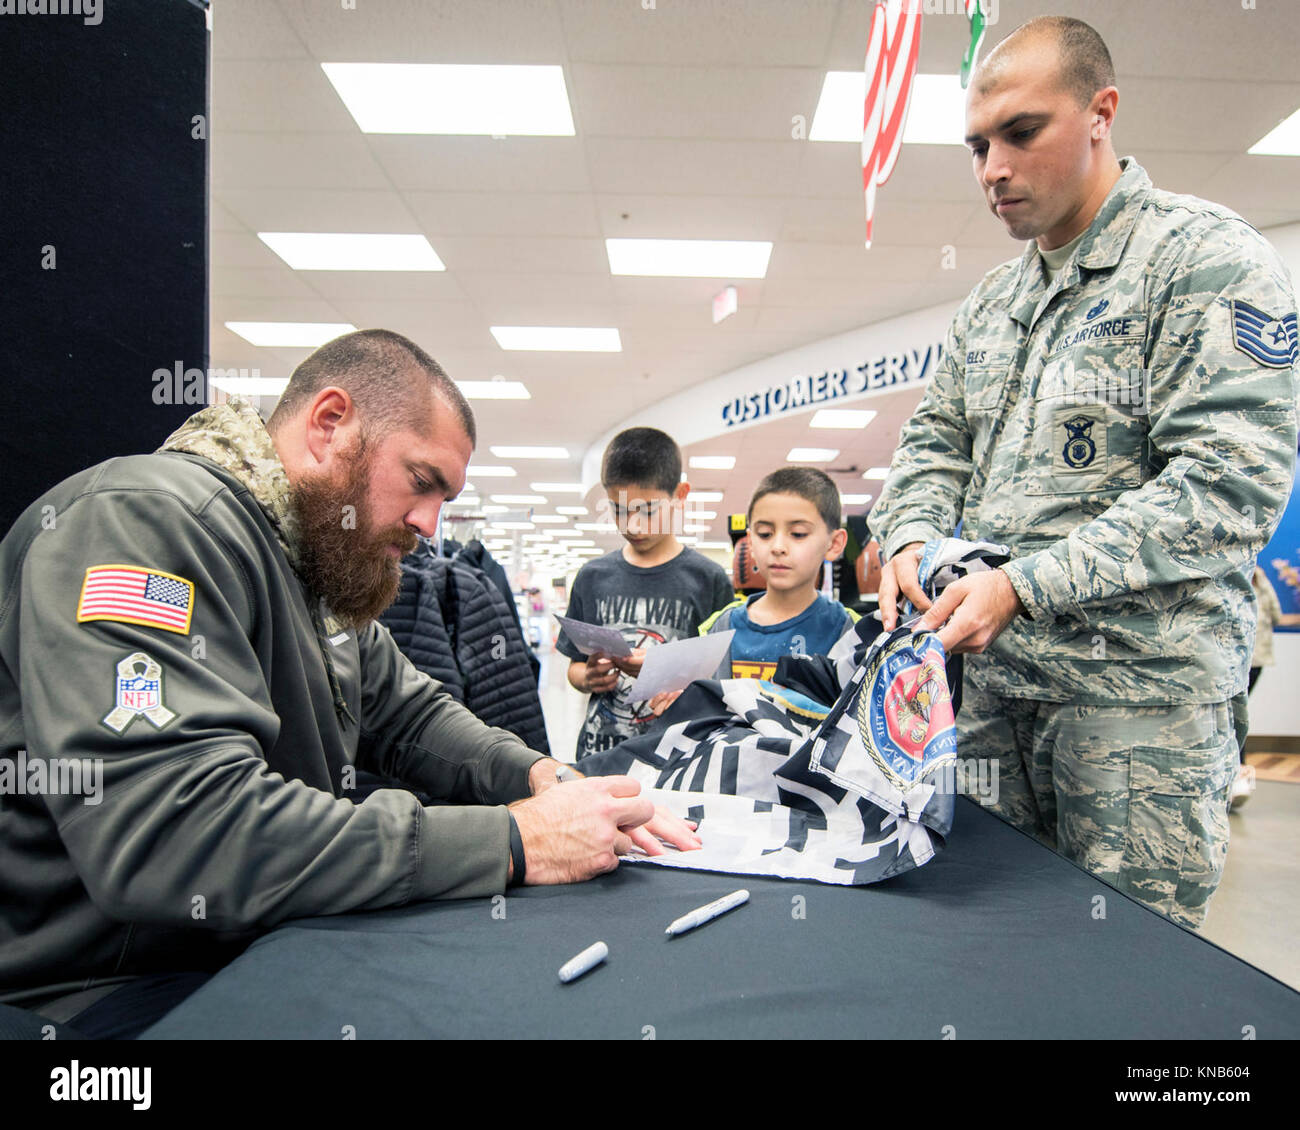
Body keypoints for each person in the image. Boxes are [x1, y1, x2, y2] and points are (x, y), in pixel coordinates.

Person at [0, 329, 699, 1035]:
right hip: (98, 992)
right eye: (423, 483)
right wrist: (515, 839)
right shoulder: (141, 525)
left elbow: (412, 716)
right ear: (330, 425)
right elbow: (179, 837)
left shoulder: (313, 562)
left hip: (244, 947)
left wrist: (542, 775)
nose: (430, 524)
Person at [869, 17, 1298, 928]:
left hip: (1137, 713)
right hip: (989, 702)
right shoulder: (994, 300)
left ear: (1102, 112)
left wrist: (1021, 587)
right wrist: (907, 533)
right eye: (978, 145)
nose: (992, 167)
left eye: (1022, 133)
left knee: (1127, 984)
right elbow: (934, 441)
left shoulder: (1204, 260)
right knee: (996, 956)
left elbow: (1229, 485)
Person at [555, 427, 735, 758]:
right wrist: (589, 677)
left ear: (680, 495)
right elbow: (574, 669)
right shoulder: (593, 577)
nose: (633, 525)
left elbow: (726, 680)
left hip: (676, 755)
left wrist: (675, 682)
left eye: (648, 510)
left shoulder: (708, 580)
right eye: (619, 509)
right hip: (600, 753)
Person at [700, 467, 858, 680]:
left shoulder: (848, 631)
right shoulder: (722, 626)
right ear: (751, 542)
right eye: (765, 534)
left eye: (798, 534)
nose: (778, 547)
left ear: (834, 544)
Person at [1234, 566, 1300, 808]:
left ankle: (1240, 780)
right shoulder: (1241, 572)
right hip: (1235, 659)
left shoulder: (1257, 576)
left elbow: (1276, 615)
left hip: (1251, 659)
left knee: (1235, 718)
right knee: (1234, 718)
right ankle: (1237, 781)